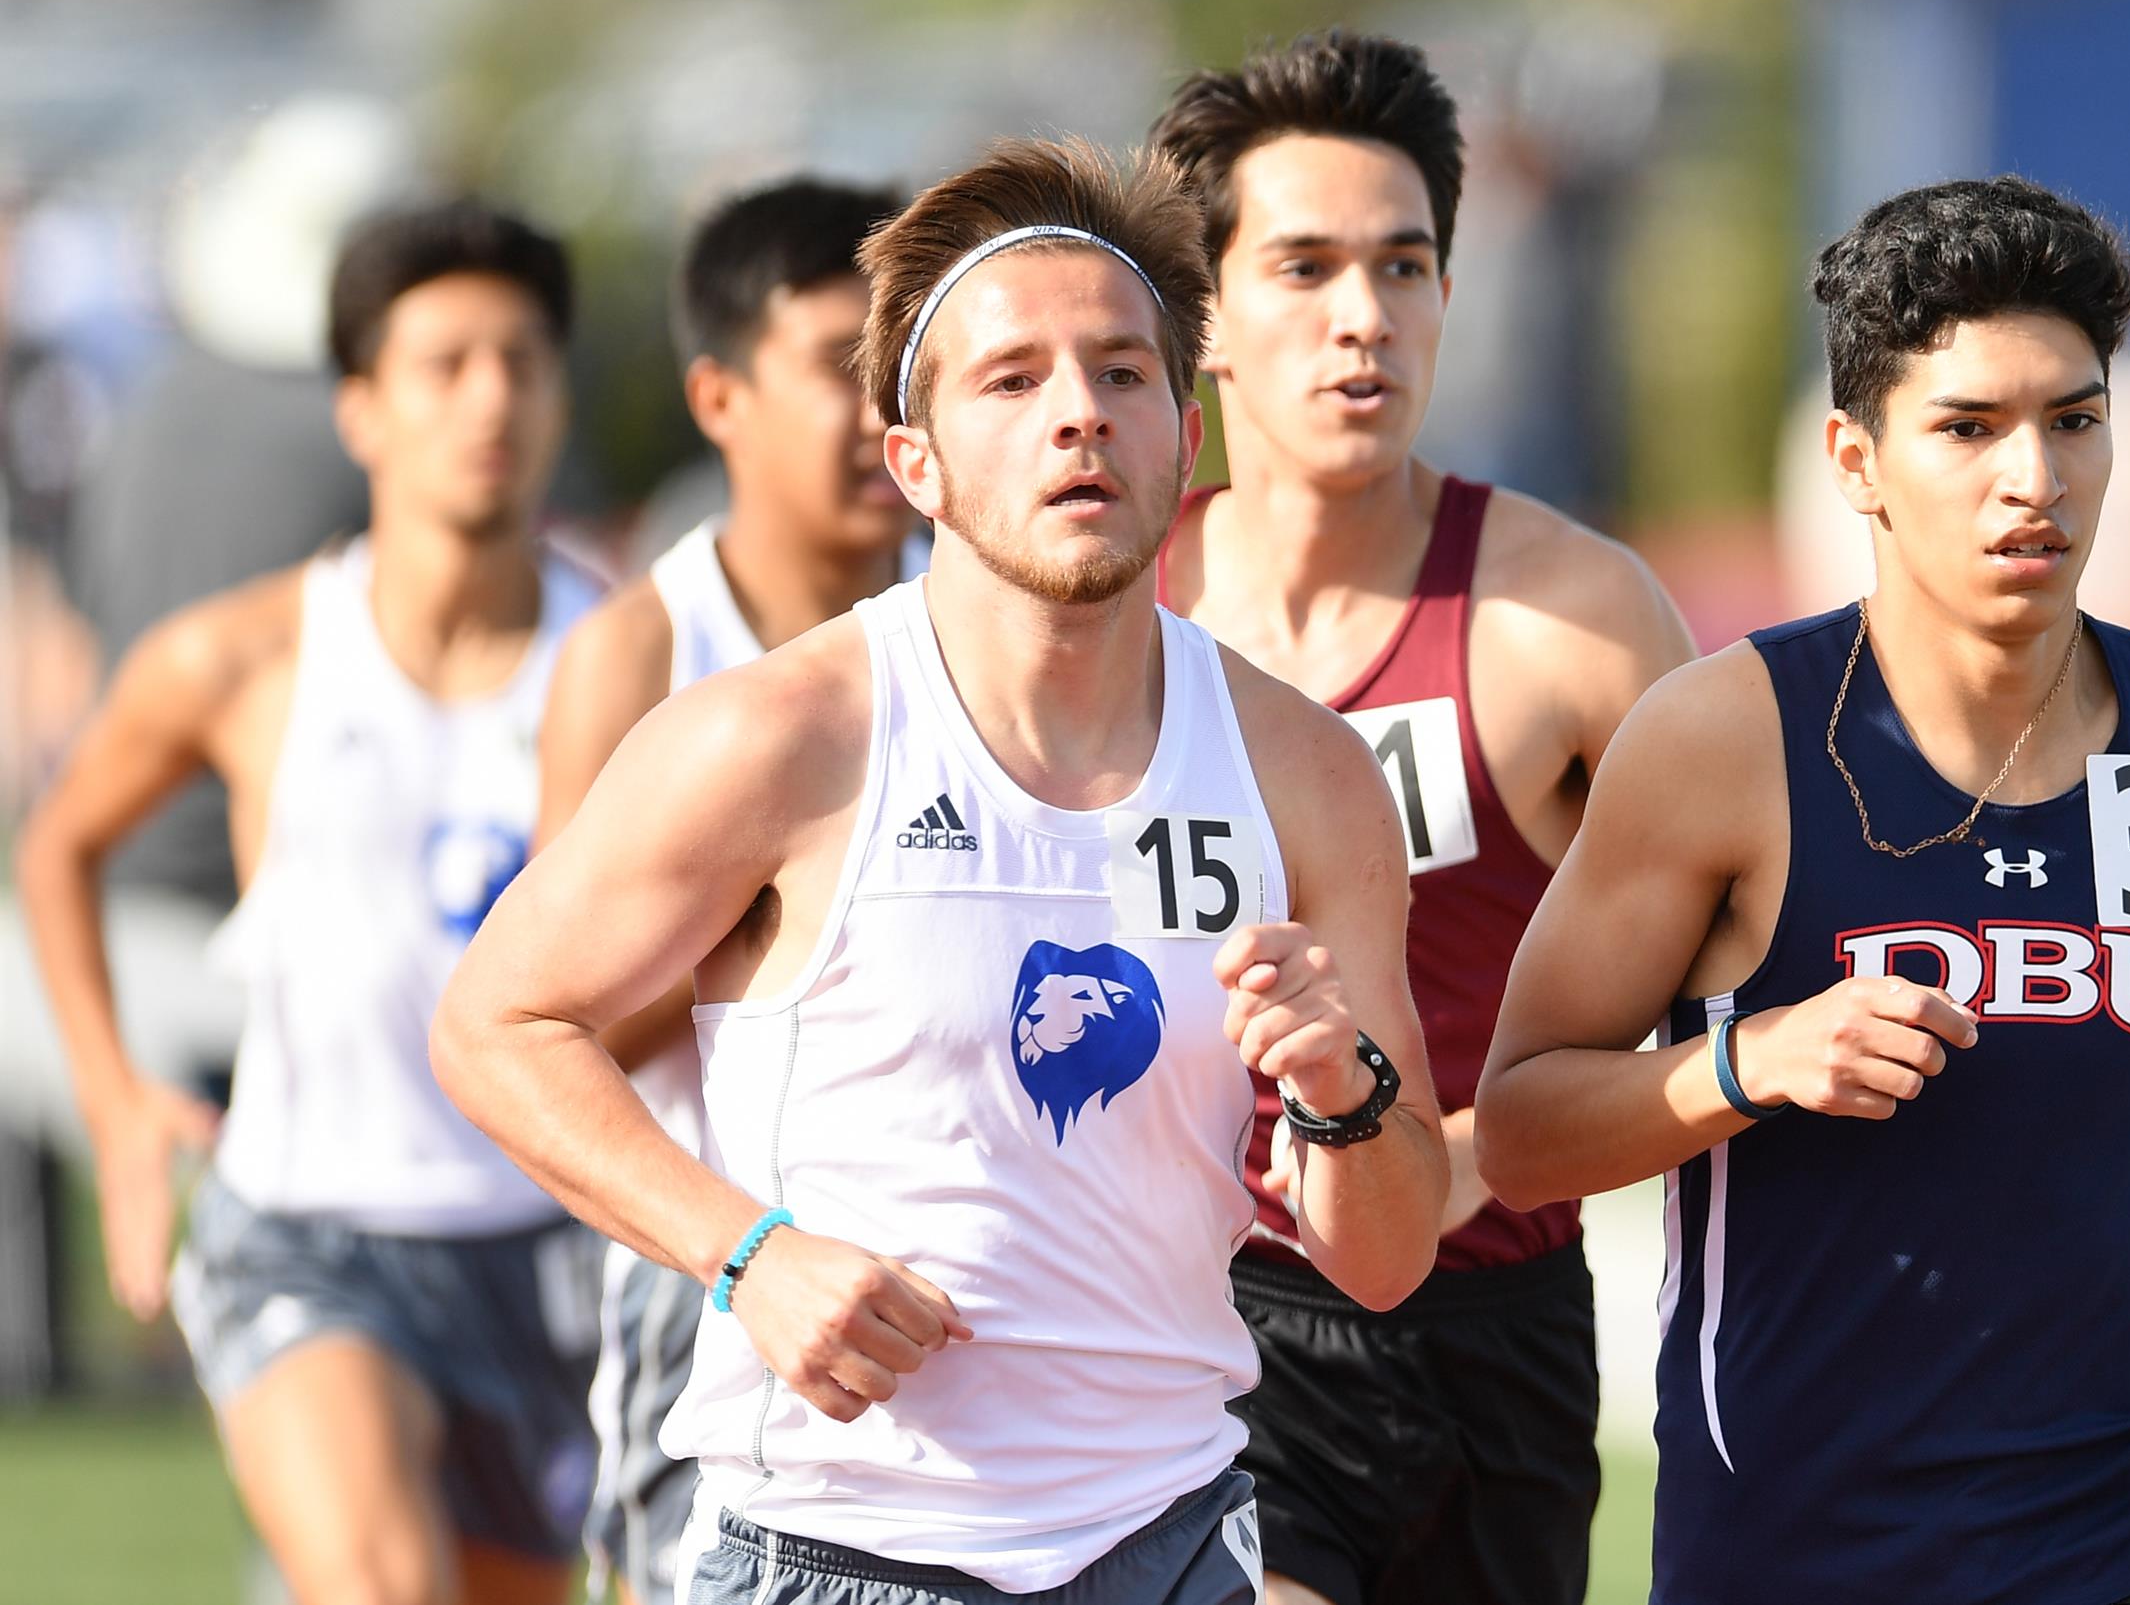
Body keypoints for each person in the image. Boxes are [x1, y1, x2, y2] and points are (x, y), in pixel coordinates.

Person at [429, 137, 1450, 1605]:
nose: (1078, 414)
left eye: (1120, 372)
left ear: (1186, 436)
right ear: (916, 462)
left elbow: (1389, 1256)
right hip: (839, 1545)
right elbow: (495, 1023)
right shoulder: (780, 736)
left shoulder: (1308, 774)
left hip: (1172, 1536)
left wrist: (1341, 1091)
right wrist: (746, 1255)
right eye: (1012, 380)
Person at [1476, 175, 2130, 1605]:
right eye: (1967, 428)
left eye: (2074, 421)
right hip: (1797, 1538)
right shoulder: (1726, 740)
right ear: (1857, 459)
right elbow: (1520, 1128)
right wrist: (1752, 1062)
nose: (2035, 478)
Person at [1146, 28, 1693, 1605]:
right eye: (1305, 267)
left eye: (1403, 267)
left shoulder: (1572, 619)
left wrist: (1485, 1148)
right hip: (1203, 1321)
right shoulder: (1112, 615)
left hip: (1495, 1326)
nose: (1362, 317)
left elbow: (1757, 973)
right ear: (1203, 319)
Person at [16, 199, 604, 1605]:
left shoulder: (630, 653)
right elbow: (57, 844)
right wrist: (117, 1104)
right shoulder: (248, 657)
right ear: (360, 410)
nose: (490, 400)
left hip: (549, 1242)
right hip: (307, 1228)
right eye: (445, 365)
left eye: (521, 362)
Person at [536, 175, 915, 1605]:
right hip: (714, 1258)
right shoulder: (640, 651)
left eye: (902, 364)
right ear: (718, 397)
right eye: (835, 366)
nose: (881, 410)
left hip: (957, 1239)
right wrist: (769, 919)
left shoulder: (998, 613)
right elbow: (567, 1013)